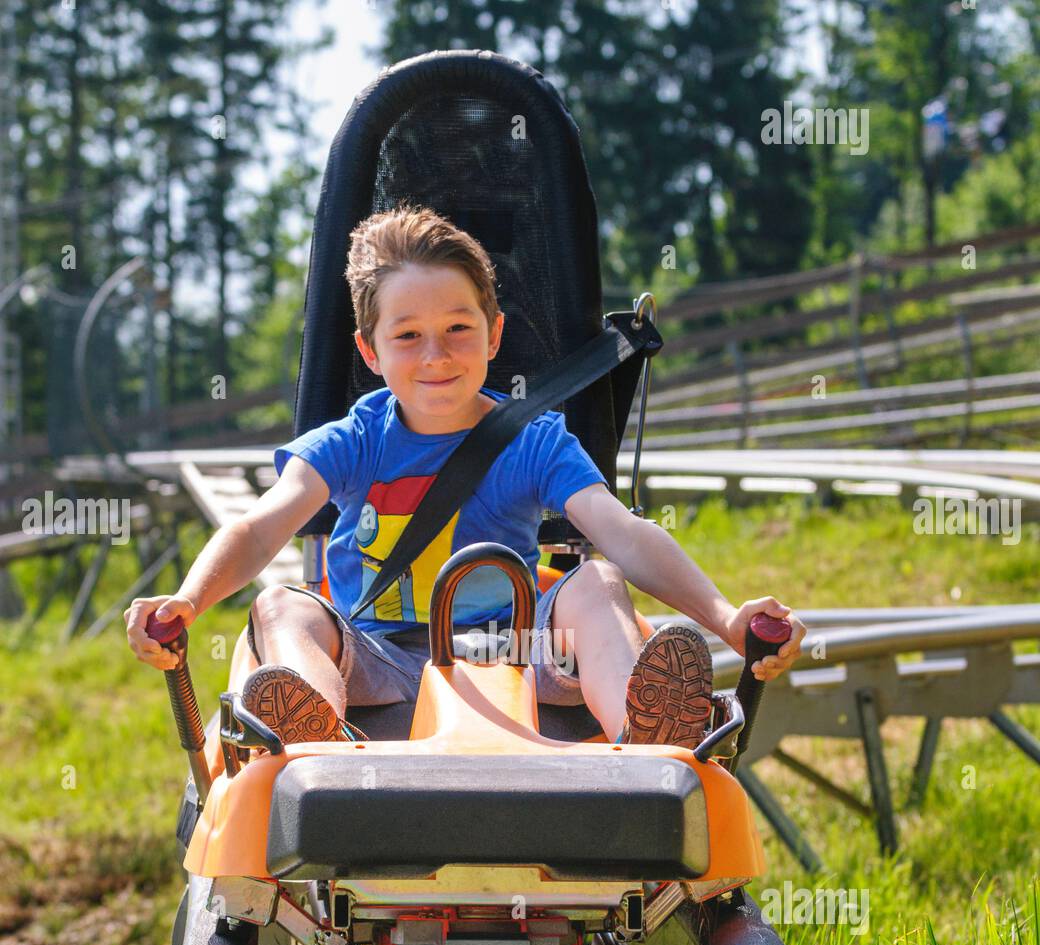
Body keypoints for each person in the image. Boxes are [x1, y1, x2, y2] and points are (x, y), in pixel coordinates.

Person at [125, 202, 806, 747]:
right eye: (408, 336)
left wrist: (724, 618)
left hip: (518, 648)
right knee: (282, 605)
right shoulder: (355, 438)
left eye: (457, 329)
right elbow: (259, 526)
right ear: (370, 349)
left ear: (493, 335)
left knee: (597, 577)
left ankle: (649, 737)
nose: (437, 356)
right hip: (374, 650)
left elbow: (622, 533)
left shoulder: (533, 442)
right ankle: (314, 745)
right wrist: (188, 599)